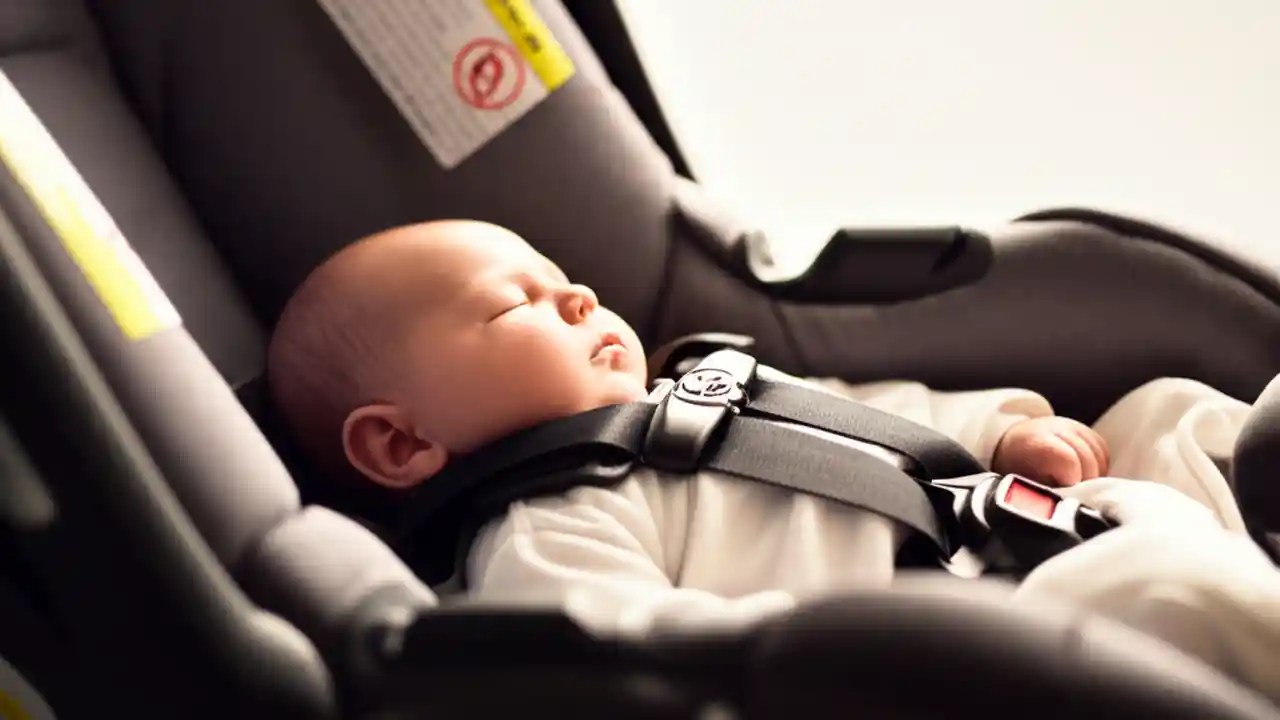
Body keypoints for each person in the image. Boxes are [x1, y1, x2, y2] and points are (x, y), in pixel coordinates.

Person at [266, 219, 1277, 700]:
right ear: (402, 443)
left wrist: (1002, 433)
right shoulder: (548, 521)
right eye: (514, 305)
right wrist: (804, 649)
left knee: (1172, 414)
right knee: (1167, 583)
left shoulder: (707, 383)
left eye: (564, 275)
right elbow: (625, 642)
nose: (578, 297)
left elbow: (878, 419)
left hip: (1034, 520)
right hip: (969, 647)